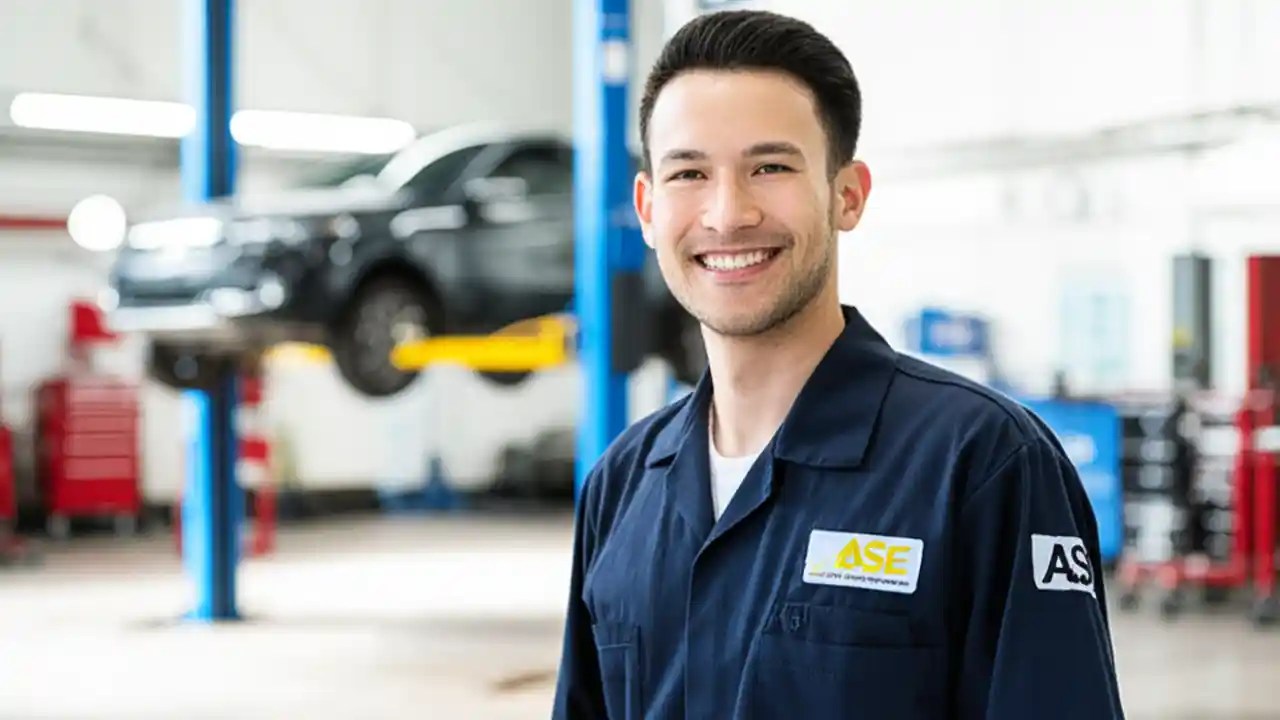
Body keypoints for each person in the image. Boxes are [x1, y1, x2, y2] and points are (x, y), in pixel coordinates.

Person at [552, 9, 1125, 720]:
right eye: (690, 173)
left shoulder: (981, 465)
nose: (727, 214)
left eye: (770, 167)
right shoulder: (622, 485)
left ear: (847, 194)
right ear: (646, 208)